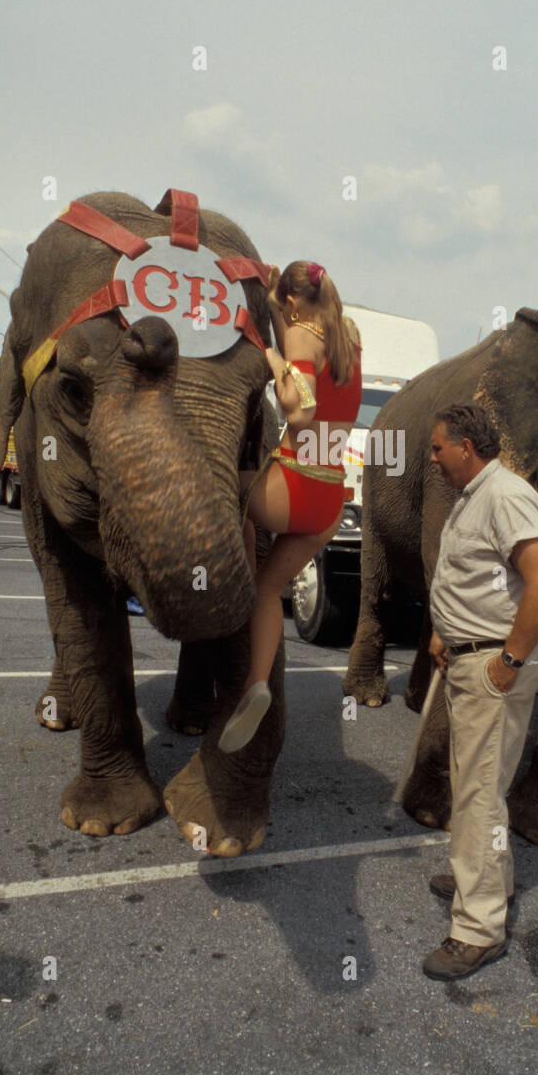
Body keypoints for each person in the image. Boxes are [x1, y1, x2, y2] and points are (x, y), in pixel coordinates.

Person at [423, 402, 538, 981]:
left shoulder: (505, 494)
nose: (431, 457)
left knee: (478, 792)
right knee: (482, 782)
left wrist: (507, 661)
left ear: (466, 448)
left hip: (492, 665)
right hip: (471, 656)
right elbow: (475, 575)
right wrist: (442, 631)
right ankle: (488, 876)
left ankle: (478, 929)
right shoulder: (473, 495)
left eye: (436, 447)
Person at [217, 261, 362, 753]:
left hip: (293, 486)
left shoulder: (302, 340)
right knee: (270, 588)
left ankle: (231, 574)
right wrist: (281, 318)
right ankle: (257, 683)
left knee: (221, 481)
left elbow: (301, 412)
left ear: (294, 303)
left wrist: (277, 365)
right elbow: (295, 334)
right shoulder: (349, 335)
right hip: (327, 500)